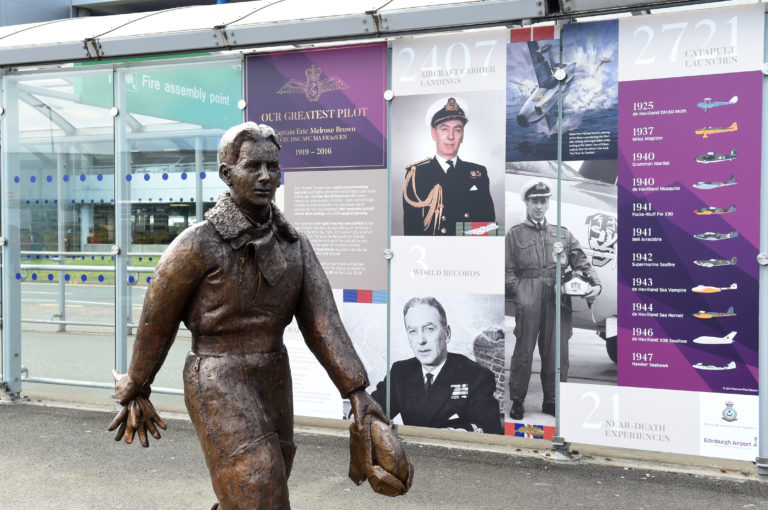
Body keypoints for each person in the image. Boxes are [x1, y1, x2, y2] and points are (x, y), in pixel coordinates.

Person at [108, 122, 404, 510]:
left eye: (273, 166)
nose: (266, 177)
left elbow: (323, 324)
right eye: (253, 167)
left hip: (272, 374)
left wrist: (357, 392)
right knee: (260, 484)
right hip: (217, 374)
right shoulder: (198, 243)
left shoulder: (295, 246)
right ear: (227, 175)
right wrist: (137, 386)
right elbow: (156, 319)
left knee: (264, 481)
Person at [505, 180, 601, 421]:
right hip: (529, 294)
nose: (539, 206)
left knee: (557, 352)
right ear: (526, 203)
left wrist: (595, 283)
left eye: (543, 201)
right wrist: (521, 294)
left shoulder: (562, 234)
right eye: (535, 201)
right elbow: (507, 270)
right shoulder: (515, 235)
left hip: (558, 298)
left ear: (548, 203)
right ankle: (517, 400)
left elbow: (581, 261)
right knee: (523, 352)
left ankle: (553, 400)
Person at [371, 296, 502, 434]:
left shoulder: (478, 377)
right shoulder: (400, 372)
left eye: (429, 329)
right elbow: (369, 411)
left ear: (447, 334)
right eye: (413, 331)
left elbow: (489, 434)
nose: (421, 340)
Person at [402, 97, 495, 236]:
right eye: (444, 129)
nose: (451, 136)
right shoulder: (416, 175)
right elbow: (411, 231)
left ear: (462, 135)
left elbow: (489, 227)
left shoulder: (478, 172)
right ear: (434, 133)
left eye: (457, 130)